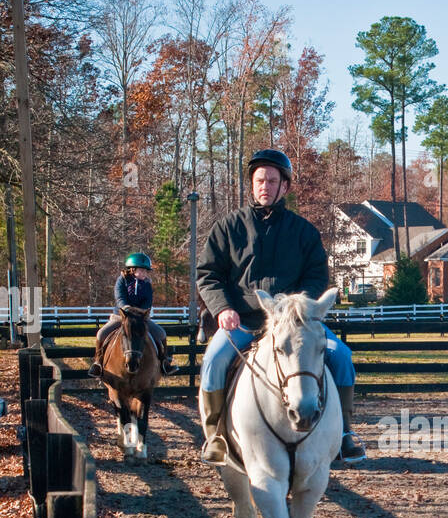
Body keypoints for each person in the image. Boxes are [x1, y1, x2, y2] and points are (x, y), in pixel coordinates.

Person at [196, 148, 365, 465]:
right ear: (252, 184)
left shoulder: (304, 232)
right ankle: (215, 435)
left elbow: (316, 277)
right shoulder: (227, 228)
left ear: (284, 186)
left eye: (272, 180)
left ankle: (344, 434)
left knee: (342, 356)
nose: (264, 185)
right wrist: (222, 309)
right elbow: (208, 275)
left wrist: (297, 307)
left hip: (296, 324)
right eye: (259, 180)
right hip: (243, 322)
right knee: (214, 360)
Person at [89, 252, 177, 377]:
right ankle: (98, 363)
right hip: (122, 317)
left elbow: (148, 301)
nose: (144, 274)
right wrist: (127, 308)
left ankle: (164, 363)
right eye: (142, 270)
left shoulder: (147, 284)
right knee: (101, 334)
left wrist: (140, 313)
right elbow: (119, 297)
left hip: (140, 319)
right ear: (132, 269)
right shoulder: (122, 280)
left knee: (161, 333)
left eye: (146, 271)